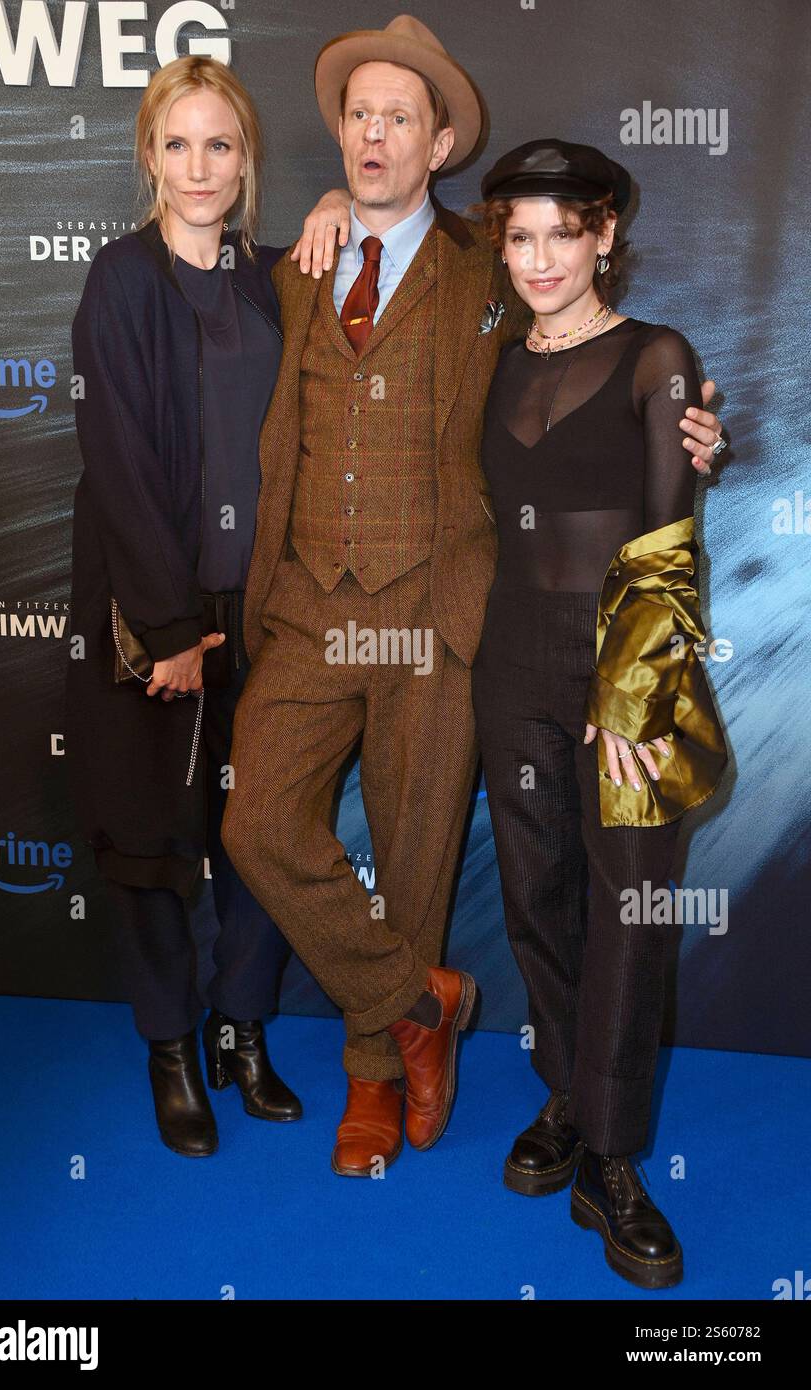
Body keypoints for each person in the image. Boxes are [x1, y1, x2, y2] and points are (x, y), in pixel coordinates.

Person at [221, 17, 726, 1179]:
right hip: (310, 599)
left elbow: (606, 362)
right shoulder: (298, 266)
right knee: (256, 822)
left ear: (440, 140)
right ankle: (417, 1000)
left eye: (401, 115)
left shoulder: (487, 274)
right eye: (359, 113)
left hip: (444, 616)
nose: (375, 133)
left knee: (415, 858)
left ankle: (374, 1076)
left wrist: (690, 426)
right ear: (339, 131)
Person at [66, 56, 347, 1157]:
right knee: (150, 839)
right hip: (159, 618)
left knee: (263, 836)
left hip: (268, 616)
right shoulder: (119, 279)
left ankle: (242, 1031)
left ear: (246, 162)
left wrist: (336, 207)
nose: (199, 167)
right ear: (149, 155)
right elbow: (120, 462)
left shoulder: (275, 280)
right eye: (177, 144)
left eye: (219, 145)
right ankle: (171, 1045)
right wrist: (171, 632)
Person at [469, 139, 728, 1288]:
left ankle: (613, 1162)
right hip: (509, 661)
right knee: (538, 899)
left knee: (629, 906)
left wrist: (629, 694)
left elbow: (669, 550)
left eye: (560, 234)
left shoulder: (659, 359)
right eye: (518, 236)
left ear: (605, 235)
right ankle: (573, 1092)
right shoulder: (493, 363)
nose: (537, 258)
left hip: (630, 668)